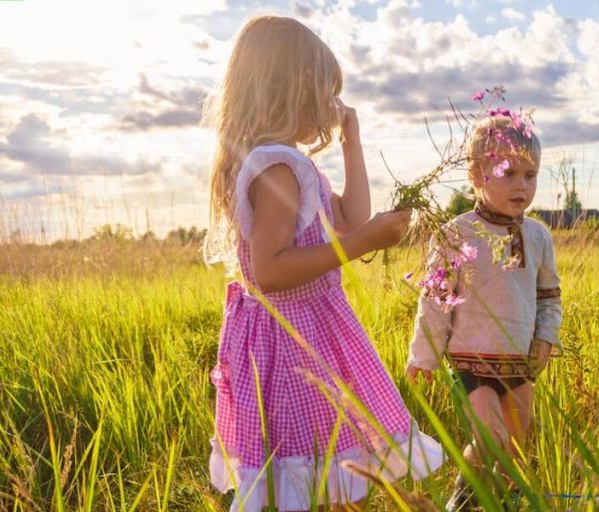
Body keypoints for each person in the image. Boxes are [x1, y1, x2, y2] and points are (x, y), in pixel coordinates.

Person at [202, 15, 442, 511]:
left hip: (308, 332)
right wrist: (362, 244)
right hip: (293, 341)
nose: (334, 106)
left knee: (325, 462)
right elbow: (269, 271)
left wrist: (353, 140)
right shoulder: (276, 168)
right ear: (293, 87)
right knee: (313, 459)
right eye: (328, 93)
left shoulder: (292, 163)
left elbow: (352, 219)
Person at [405, 115, 563, 510]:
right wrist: (423, 357)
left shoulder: (539, 236)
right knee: (490, 436)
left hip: (519, 363)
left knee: (513, 446)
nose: (521, 185)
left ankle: (496, 503)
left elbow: (548, 295)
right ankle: (459, 505)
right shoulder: (456, 233)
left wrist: (546, 336)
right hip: (469, 360)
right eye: (508, 172)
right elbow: (435, 300)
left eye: (530, 174)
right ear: (477, 174)